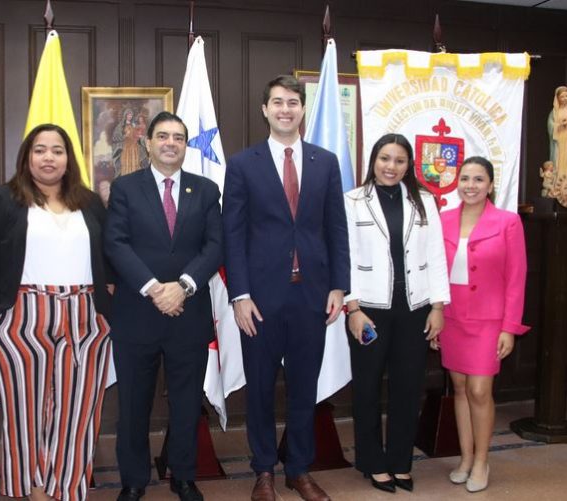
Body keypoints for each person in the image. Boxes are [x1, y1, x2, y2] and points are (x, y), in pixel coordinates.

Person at [0, 124, 113, 501]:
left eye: (57, 150)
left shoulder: (90, 202)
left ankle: (68, 487)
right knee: (24, 413)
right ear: (27, 157)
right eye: (40, 150)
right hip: (22, 316)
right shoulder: (4, 200)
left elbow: (110, 250)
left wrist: (109, 291)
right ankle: (32, 489)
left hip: (85, 316)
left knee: (79, 412)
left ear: (68, 159)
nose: (49, 158)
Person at [223, 75, 349, 501]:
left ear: (302, 109)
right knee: (259, 388)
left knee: (303, 387)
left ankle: (299, 469)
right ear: (265, 109)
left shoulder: (325, 162)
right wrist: (239, 295)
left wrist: (339, 287)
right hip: (259, 299)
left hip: (311, 296)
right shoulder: (242, 164)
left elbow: (336, 229)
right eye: (277, 102)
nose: (285, 109)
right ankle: (263, 471)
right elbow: (233, 235)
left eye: (293, 102)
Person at [104, 111, 222, 501]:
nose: (171, 143)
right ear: (149, 143)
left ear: (186, 146)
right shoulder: (124, 188)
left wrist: (183, 287)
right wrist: (155, 288)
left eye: (179, 137)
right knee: (134, 404)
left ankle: (183, 476)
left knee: (188, 404)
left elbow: (215, 246)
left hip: (188, 314)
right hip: (137, 314)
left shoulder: (205, 191)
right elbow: (116, 244)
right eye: (163, 136)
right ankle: (134, 480)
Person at [344, 133, 449, 494]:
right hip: (369, 310)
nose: (391, 167)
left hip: (415, 309)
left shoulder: (424, 201)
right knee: (368, 388)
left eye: (399, 160)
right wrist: (352, 307)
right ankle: (373, 462)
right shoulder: (352, 201)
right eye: (385, 159)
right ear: (373, 161)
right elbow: (346, 258)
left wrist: (438, 307)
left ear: (409, 166)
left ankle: (400, 462)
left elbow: (436, 256)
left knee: (408, 387)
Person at [438, 156, 529, 493]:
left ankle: (481, 460)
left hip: (489, 320)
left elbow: (517, 279)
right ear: (457, 182)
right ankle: (464, 457)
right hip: (451, 318)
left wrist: (509, 327)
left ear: (491, 185)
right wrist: (435, 317)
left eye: (478, 179)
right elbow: (434, 272)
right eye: (465, 179)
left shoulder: (508, 222)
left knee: (479, 390)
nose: (470, 185)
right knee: (459, 388)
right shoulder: (443, 220)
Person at [548, 86, 567, 177]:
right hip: (559, 139)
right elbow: (550, 126)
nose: (565, 98)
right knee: (559, 159)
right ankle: (559, 179)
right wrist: (559, 125)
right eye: (562, 96)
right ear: (558, 98)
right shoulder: (555, 112)